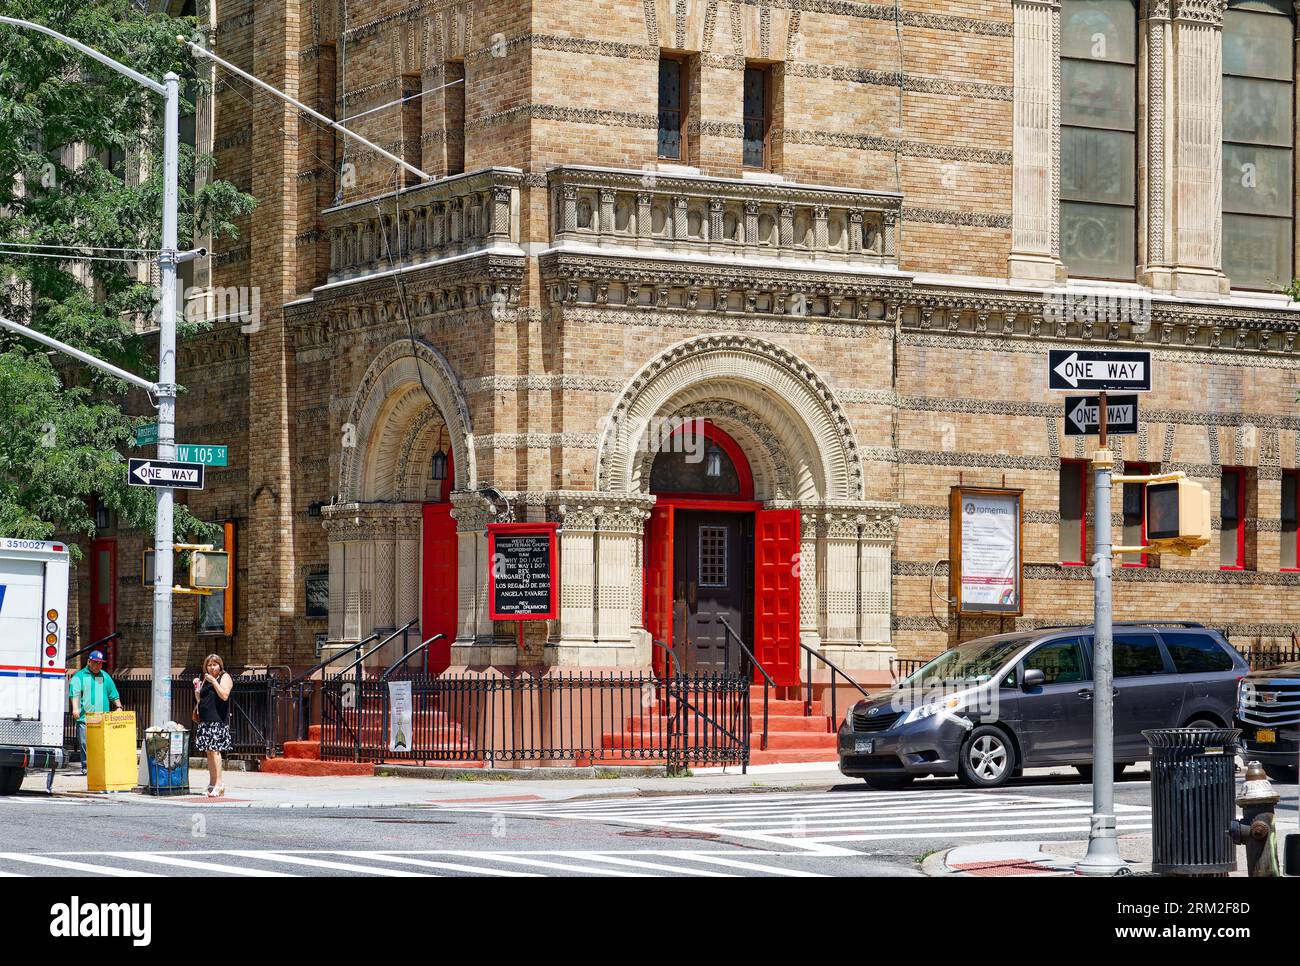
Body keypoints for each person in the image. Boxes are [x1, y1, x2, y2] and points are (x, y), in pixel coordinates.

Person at [68, 650, 123, 776]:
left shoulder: (104, 676)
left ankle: (101, 766)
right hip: (85, 717)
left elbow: (113, 693)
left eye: (100, 663)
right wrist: (75, 708)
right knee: (85, 743)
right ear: (89, 662)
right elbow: (74, 693)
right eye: (96, 663)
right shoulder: (79, 676)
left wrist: (119, 706)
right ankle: (87, 767)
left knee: (102, 743)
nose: (98, 665)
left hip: (102, 718)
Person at [193, 654, 234, 796]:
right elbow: (201, 700)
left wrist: (213, 682)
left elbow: (224, 695)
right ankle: (211, 784)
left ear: (220, 665)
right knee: (209, 752)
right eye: (209, 665)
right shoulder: (206, 679)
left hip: (217, 720)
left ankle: (219, 784)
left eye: (214, 664)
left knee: (215, 751)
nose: (211, 668)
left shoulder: (224, 677)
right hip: (205, 720)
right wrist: (198, 691)